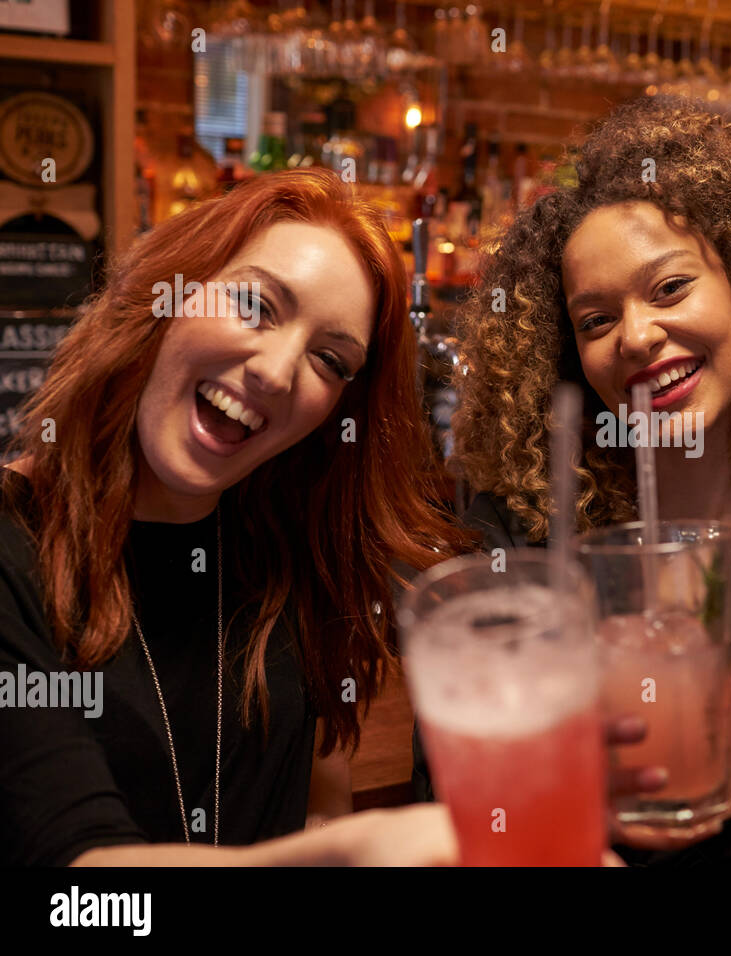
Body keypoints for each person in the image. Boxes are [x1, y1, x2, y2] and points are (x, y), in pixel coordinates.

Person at [413, 95, 731, 865]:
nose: (639, 336)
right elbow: (438, 817)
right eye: (595, 320)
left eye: (671, 288)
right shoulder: (518, 542)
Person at [0, 167, 474, 865]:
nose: (278, 372)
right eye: (255, 303)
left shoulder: (291, 557)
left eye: (329, 359)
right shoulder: (14, 550)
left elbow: (318, 802)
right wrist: (365, 847)